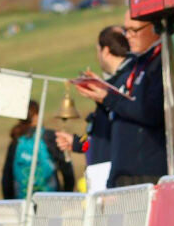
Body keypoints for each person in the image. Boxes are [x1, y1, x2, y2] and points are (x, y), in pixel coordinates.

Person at [75, 11, 166, 186]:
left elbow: (149, 112)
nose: (128, 36)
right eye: (126, 31)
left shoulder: (159, 63)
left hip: (147, 176)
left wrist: (108, 98)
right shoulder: (136, 64)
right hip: (121, 175)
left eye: (134, 30)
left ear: (154, 27)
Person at [56, 26, 132, 165]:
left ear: (106, 51)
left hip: (119, 171)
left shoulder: (126, 82)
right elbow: (103, 140)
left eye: (98, 50)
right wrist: (77, 144)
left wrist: (106, 96)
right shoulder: (114, 85)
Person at [1, 101, 71, 199]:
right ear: (36, 116)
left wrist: (10, 201)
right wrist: (66, 195)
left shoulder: (16, 140)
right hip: (50, 201)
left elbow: (7, 177)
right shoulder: (49, 137)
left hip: (22, 201)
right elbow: (67, 170)